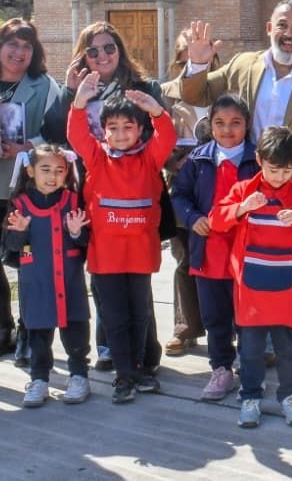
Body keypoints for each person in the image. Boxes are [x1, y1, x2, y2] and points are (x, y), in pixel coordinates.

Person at [180, 0, 292, 383]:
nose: (289, 33)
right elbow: (196, 94)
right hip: (253, 193)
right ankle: (262, 346)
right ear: (269, 27)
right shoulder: (242, 66)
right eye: (283, 24)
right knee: (257, 269)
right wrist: (196, 64)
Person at [43, 21, 169, 374]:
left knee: (137, 281)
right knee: (103, 275)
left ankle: (146, 351)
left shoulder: (144, 87)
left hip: (137, 193)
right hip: (94, 189)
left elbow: (162, 130)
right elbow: (54, 132)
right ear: (83, 56)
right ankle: (108, 346)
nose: (102, 56)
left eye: (108, 48)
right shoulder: (79, 88)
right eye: (93, 50)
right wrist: (71, 94)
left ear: (120, 50)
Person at [211, 126, 292, 428]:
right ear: (258, 160)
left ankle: (290, 395)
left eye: (287, 171)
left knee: (286, 348)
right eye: (273, 170)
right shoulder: (244, 189)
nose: (280, 177)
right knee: (251, 348)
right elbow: (217, 219)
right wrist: (242, 208)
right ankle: (251, 395)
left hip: (286, 284)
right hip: (252, 285)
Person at [68, 70, 176, 404]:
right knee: (114, 316)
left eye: (128, 127)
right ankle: (124, 375)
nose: (120, 134)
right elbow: (76, 136)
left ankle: (142, 369)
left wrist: (155, 110)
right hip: (106, 257)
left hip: (140, 255)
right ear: (103, 130)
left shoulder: (148, 159)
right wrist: (80, 101)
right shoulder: (98, 159)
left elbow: (168, 137)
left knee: (140, 314)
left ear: (140, 130)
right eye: (112, 127)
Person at [0, 19, 61, 366]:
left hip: (24, 189)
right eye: (12, 44)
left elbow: (58, 136)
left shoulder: (45, 87)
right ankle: (3, 331)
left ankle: (29, 332)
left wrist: (29, 146)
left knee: (27, 261)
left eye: (26, 46)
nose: (19, 52)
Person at [172, 94, 260, 401]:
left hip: (247, 255)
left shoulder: (258, 159)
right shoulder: (198, 159)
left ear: (247, 125)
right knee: (215, 317)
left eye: (235, 123)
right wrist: (192, 217)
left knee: (248, 317)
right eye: (220, 123)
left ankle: (250, 370)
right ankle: (221, 369)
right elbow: (179, 195)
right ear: (210, 125)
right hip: (209, 253)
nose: (227, 130)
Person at [2, 144, 91, 408]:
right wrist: (18, 232)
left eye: (59, 170)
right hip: (37, 283)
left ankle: (79, 375)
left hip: (70, 281)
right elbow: (12, 248)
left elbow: (85, 242)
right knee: (38, 334)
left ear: (67, 173)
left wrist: (77, 232)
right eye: (45, 169)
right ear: (30, 171)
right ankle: (39, 378)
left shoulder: (73, 201)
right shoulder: (19, 205)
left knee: (75, 331)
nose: (52, 176)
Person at [161, 30, 209, 358]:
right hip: (179, 187)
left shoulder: (223, 92)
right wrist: (174, 157)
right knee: (184, 258)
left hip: (218, 187)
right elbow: (154, 142)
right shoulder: (165, 95)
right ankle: (185, 325)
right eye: (183, 58)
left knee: (218, 258)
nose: (188, 63)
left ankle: (229, 324)